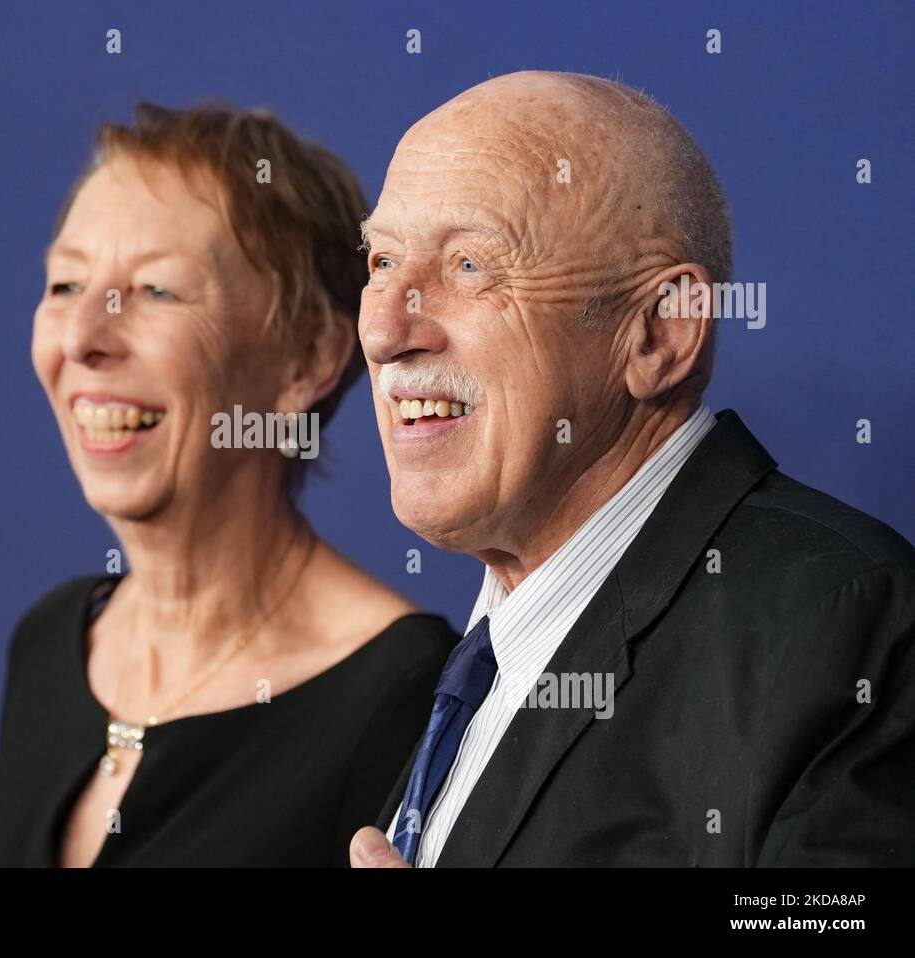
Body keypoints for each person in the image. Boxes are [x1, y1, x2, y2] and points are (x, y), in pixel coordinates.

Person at [348, 71, 915, 867]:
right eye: (380, 261)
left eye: (469, 265)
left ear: (660, 332)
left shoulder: (853, 622)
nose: (380, 328)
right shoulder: (483, 662)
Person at [0, 102, 456, 867]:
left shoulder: (404, 700)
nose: (85, 339)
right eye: (64, 285)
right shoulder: (51, 640)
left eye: (157, 292)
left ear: (308, 357)